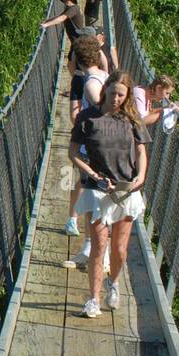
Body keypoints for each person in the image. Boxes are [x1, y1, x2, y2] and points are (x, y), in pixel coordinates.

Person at [69, 70, 150, 318]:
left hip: (126, 190)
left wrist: (141, 177)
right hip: (97, 188)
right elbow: (72, 153)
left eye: (121, 95)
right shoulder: (87, 116)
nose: (115, 98)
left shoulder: (132, 119)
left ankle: (113, 284)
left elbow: (141, 152)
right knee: (98, 245)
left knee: (120, 248)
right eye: (113, 93)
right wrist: (92, 174)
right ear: (106, 89)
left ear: (127, 97)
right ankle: (93, 300)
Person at [65, 36, 111, 237]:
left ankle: (87, 235)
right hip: (95, 144)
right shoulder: (103, 75)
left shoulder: (92, 81)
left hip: (95, 144)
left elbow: (99, 111)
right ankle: (81, 229)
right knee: (88, 184)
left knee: (89, 185)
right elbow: (75, 115)